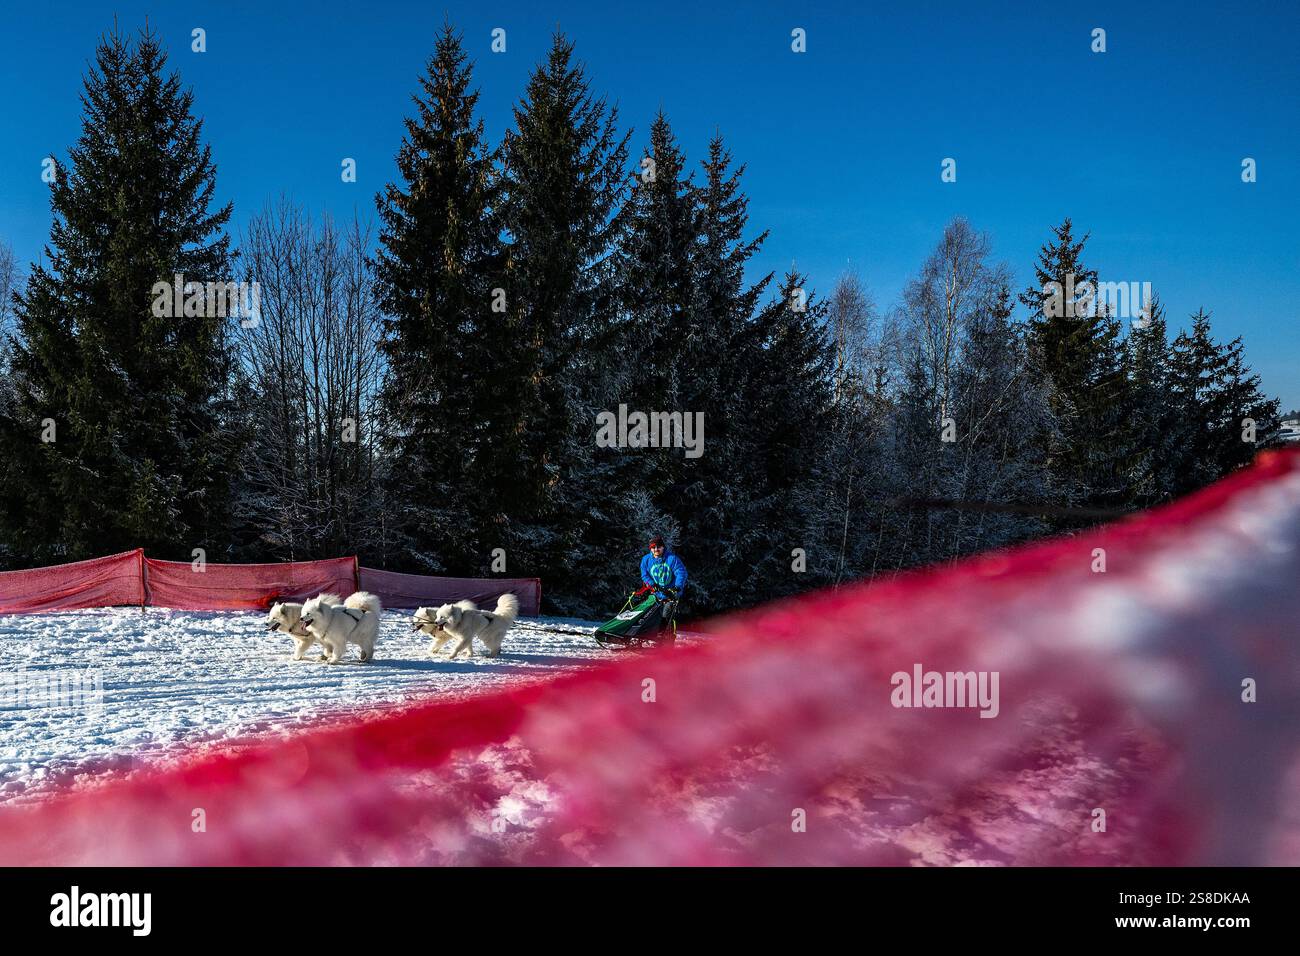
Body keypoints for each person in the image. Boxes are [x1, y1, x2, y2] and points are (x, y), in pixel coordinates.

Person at [640, 536, 687, 601]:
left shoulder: (672, 559)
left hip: (671, 594)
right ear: (650, 549)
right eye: (653, 547)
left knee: (667, 610)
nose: (656, 549)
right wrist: (652, 584)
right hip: (655, 594)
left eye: (658, 547)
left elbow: (681, 573)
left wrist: (677, 587)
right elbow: (644, 575)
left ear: (663, 547)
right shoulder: (646, 560)